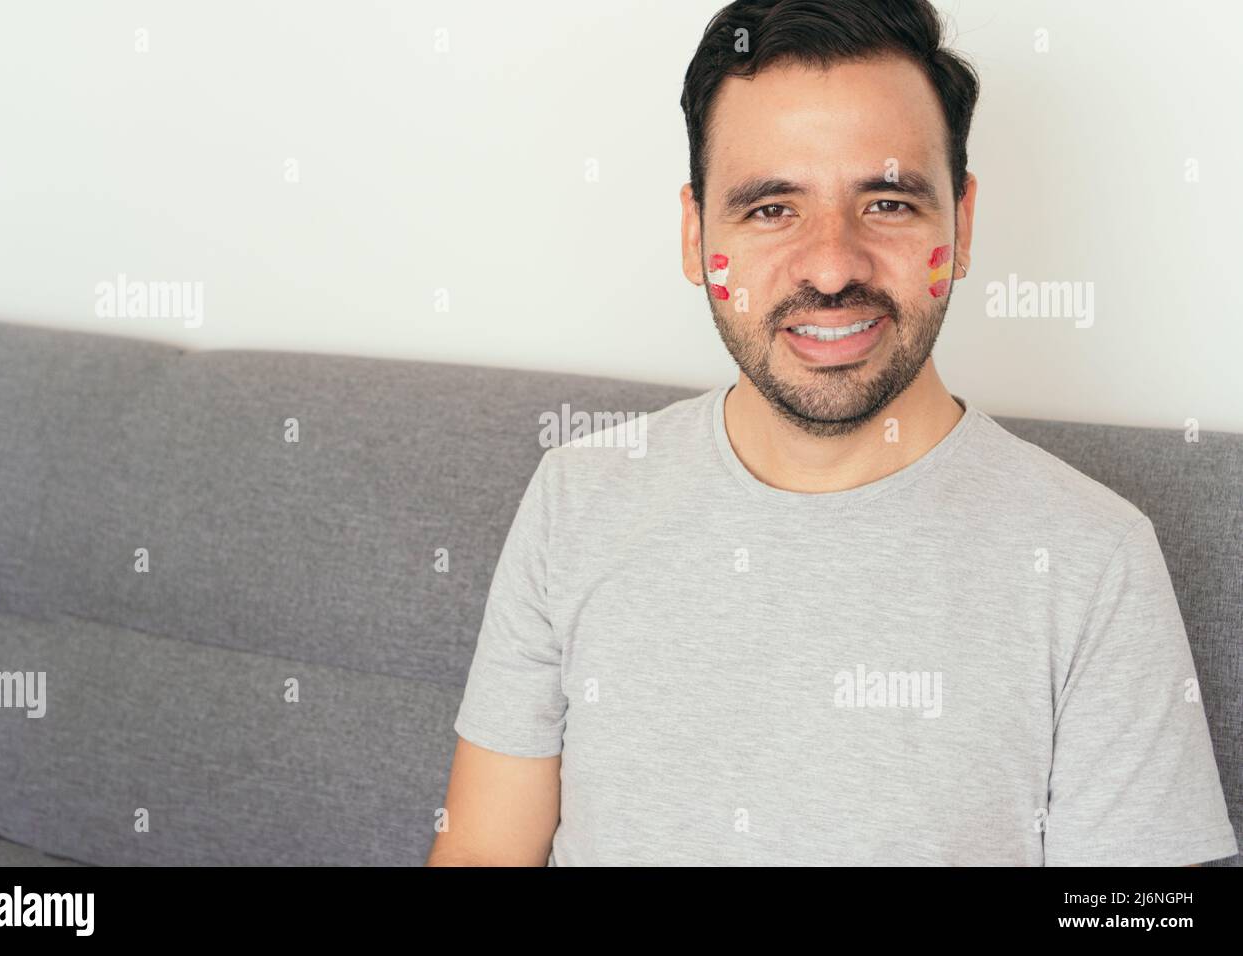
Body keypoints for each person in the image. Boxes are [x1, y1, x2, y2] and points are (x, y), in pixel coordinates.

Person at [427, 0, 1238, 866]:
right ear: (696, 232)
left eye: (887, 202)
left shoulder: (1093, 562)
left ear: (961, 224)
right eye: (772, 209)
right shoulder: (575, 498)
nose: (831, 266)